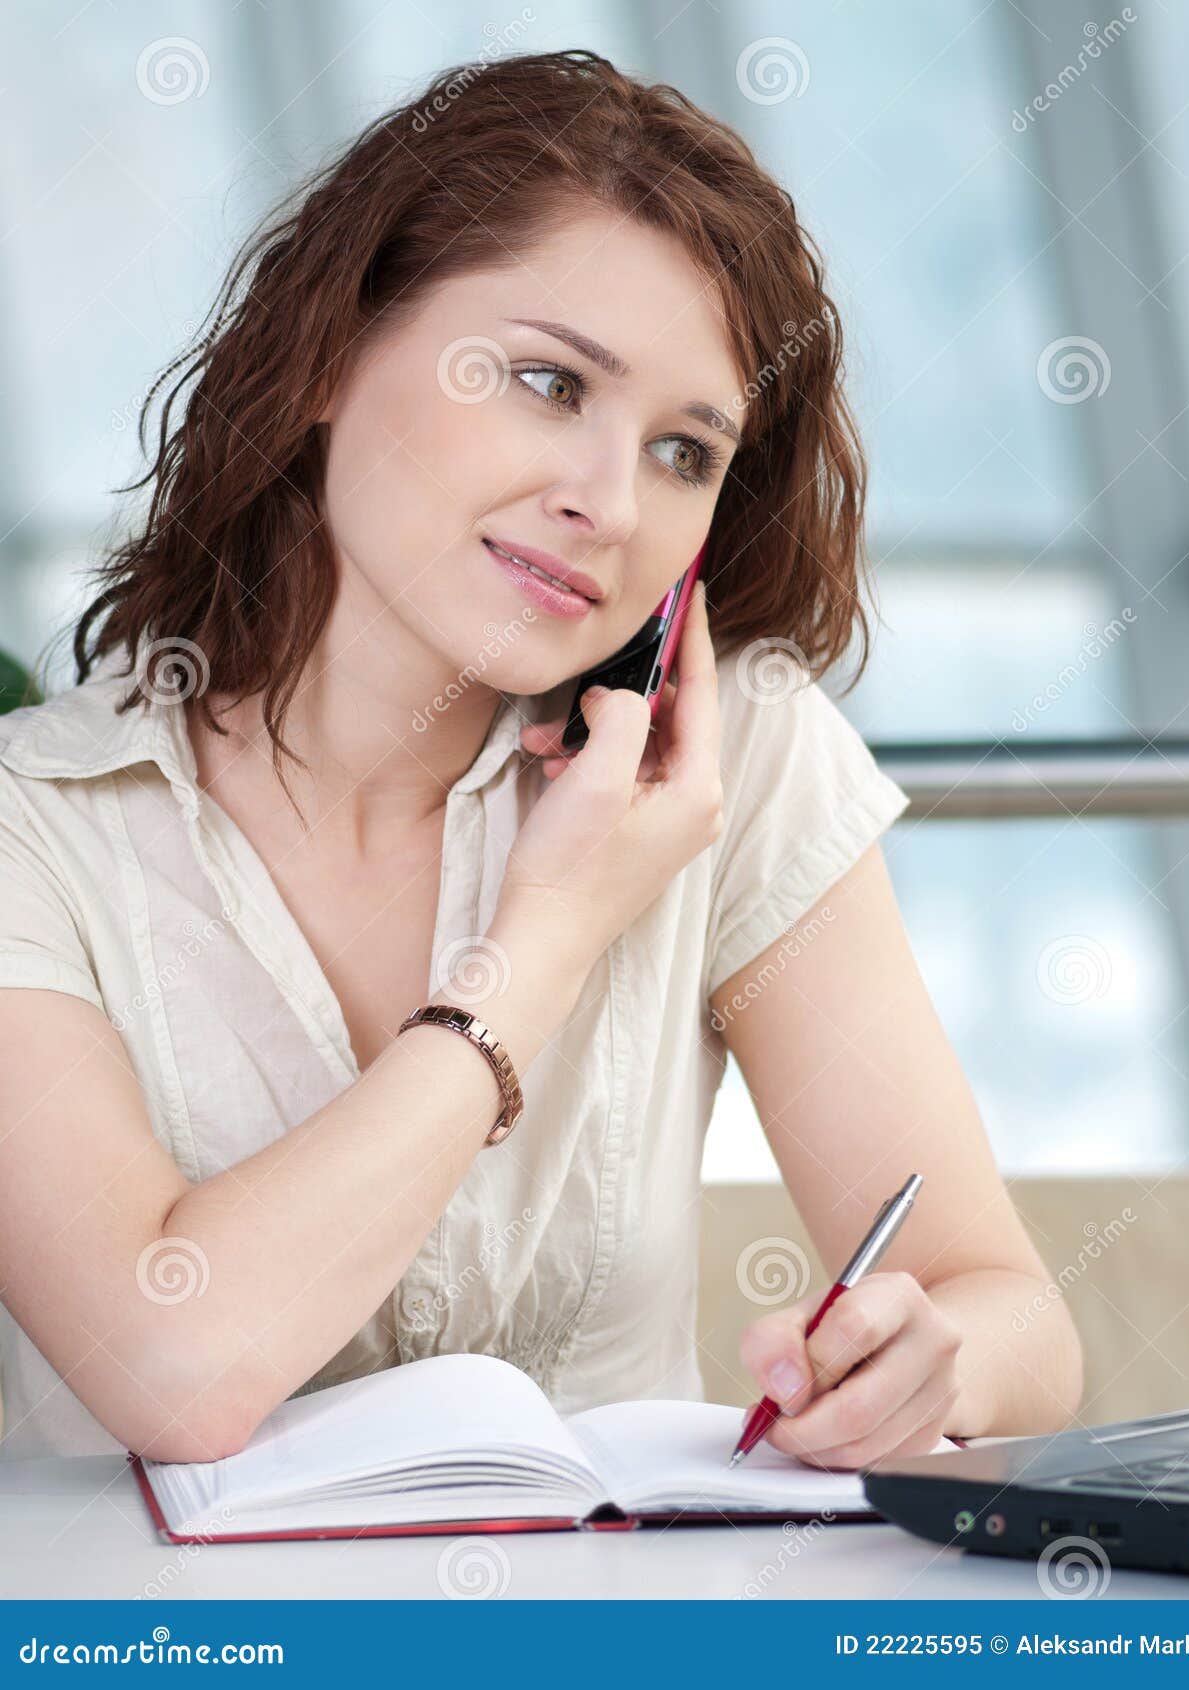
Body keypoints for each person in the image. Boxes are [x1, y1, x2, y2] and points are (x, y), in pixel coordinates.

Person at [0, 50, 1080, 1468]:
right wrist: (549, 936)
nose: (609, 501)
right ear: (330, 351)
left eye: (687, 452)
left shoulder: (730, 767)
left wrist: (935, 1366)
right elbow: (172, 1364)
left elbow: (1012, 1317)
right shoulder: (38, 826)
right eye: (547, 381)